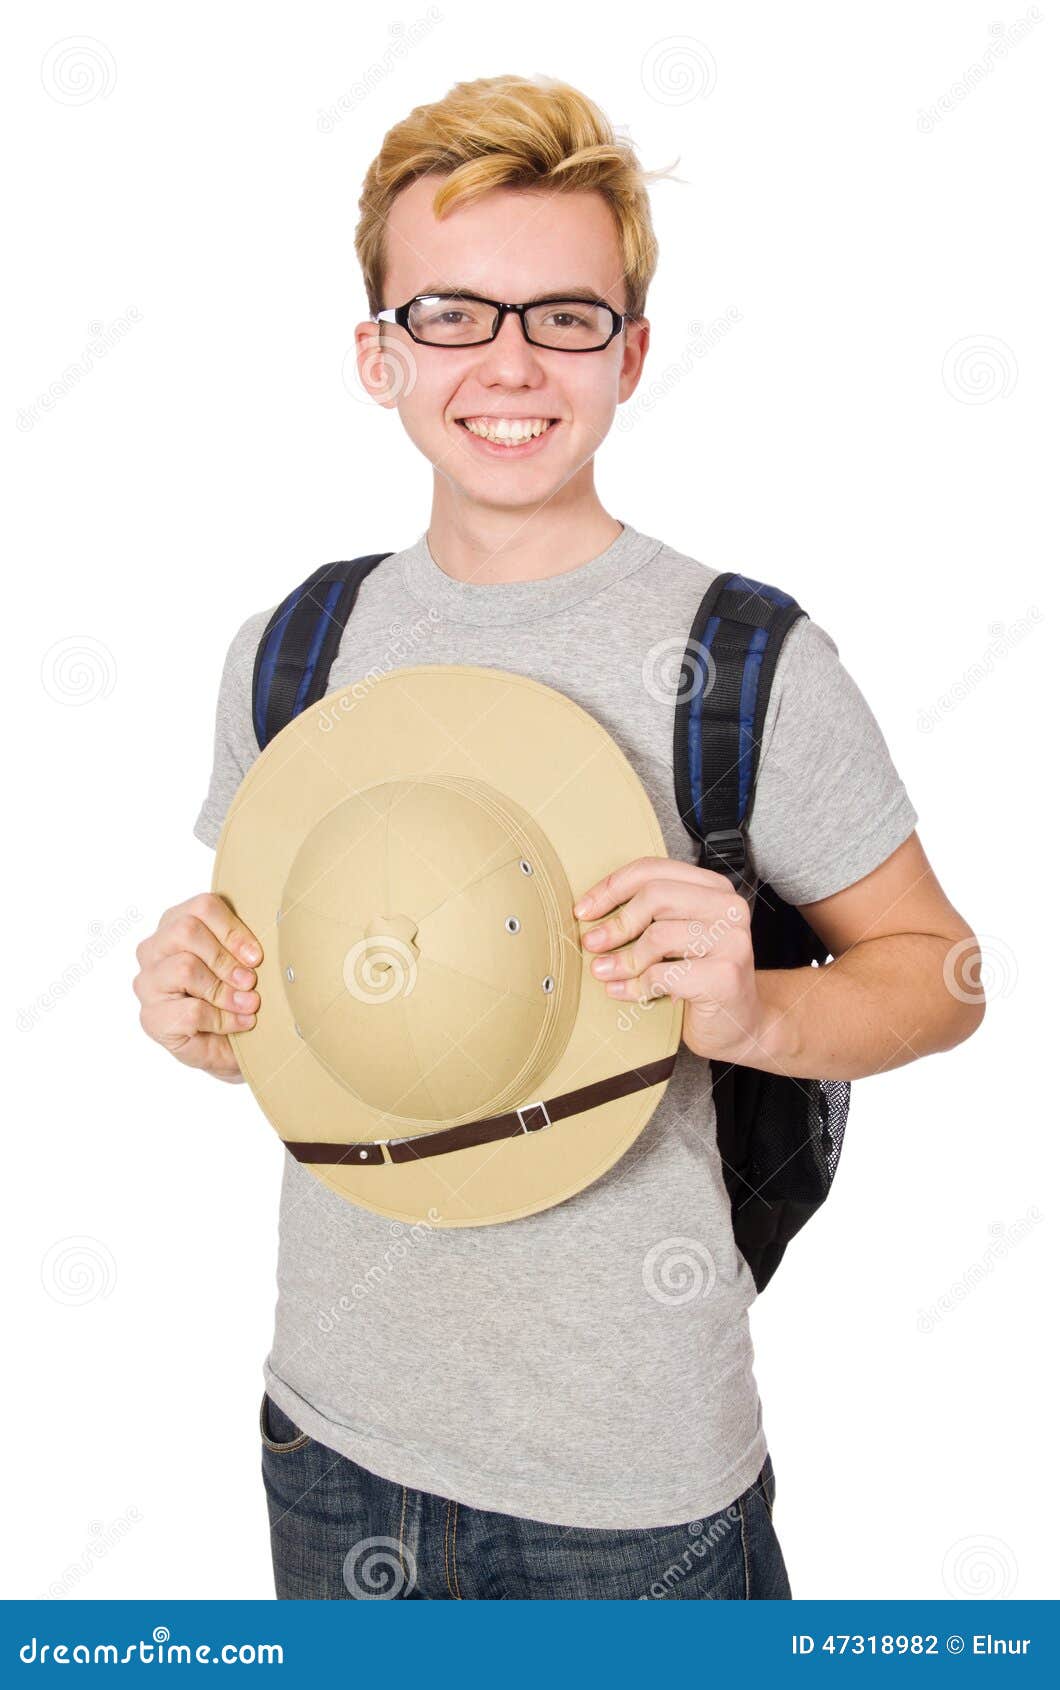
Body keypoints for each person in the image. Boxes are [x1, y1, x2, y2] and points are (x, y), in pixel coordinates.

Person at [133, 74, 986, 1600]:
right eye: (451, 313)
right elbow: (315, 997)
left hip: (639, 1487)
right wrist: (204, 1005)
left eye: (565, 316)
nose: (509, 361)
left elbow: (947, 975)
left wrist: (757, 1007)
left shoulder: (748, 661)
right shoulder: (295, 650)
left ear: (632, 352)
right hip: (330, 1443)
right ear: (376, 352)